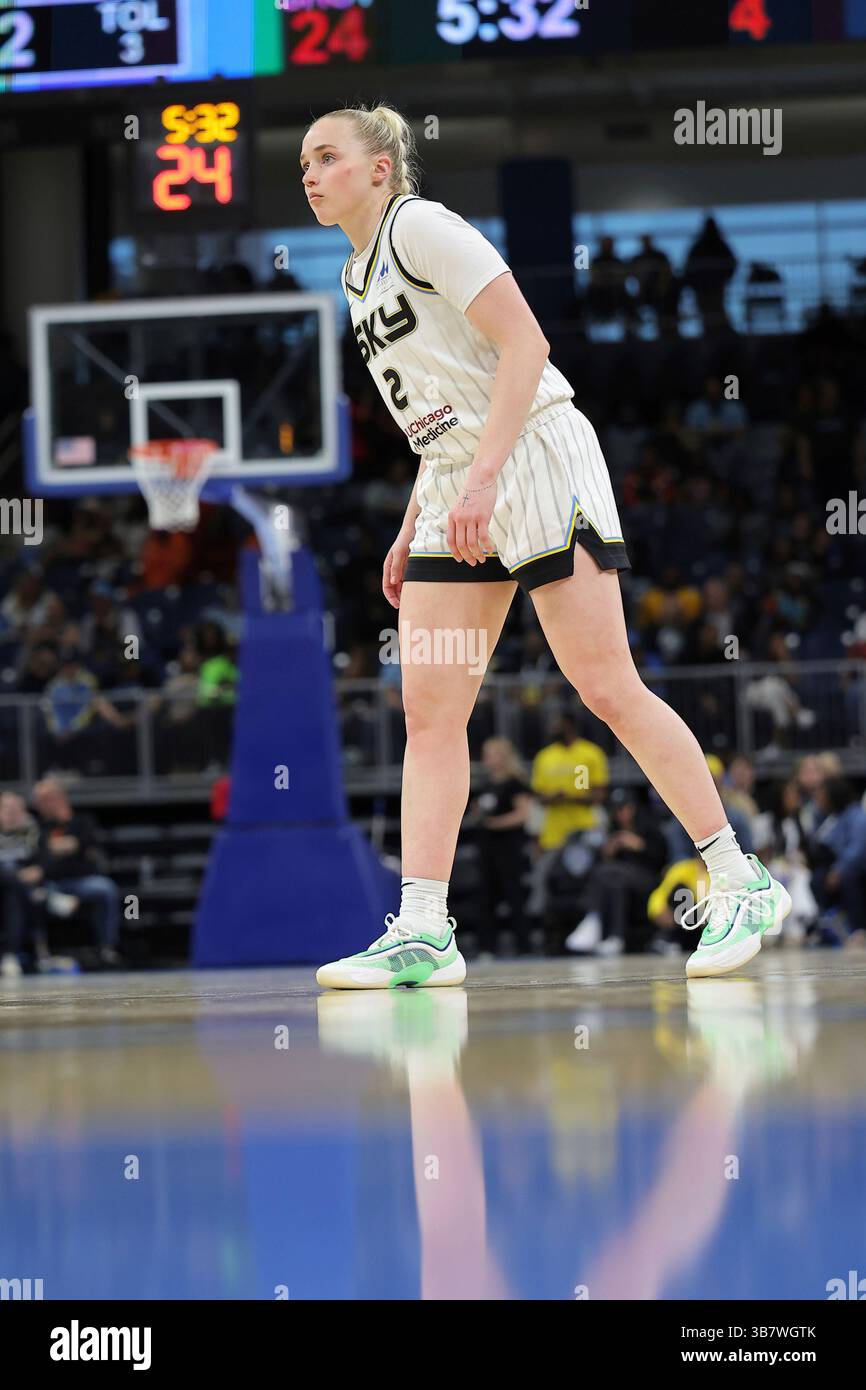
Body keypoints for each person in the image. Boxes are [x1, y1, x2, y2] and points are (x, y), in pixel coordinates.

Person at [304, 103, 791, 989]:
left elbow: (527, 343)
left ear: (379, 168)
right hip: (454, 476)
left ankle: (739, 876)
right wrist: (416, 519)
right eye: (304, 161)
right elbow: (438, 411)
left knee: (606, 686)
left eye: (327, 156)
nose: (310, 173)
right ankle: (425, 929)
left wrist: (486, 478)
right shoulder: (352, 274)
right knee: (429, 711)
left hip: (533, 452)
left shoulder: (423, 228)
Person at [565, 787, 668, 956]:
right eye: (616, 810)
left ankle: (593, 920)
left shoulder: (649, 826)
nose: (620, 813)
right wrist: (609, 850)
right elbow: (603, 859)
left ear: (632, 808)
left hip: (647, 879)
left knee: (607, 872)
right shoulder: (612, 830)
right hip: (620, 880)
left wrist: (638, 845)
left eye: (623, 808)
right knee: (615, 882)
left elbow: (661, 859)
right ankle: (615, 937)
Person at [31, 778, 122, 967]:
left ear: (58, 798)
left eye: (43, 800)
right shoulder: (40, 828)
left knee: (106, 889)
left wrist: (66, 849)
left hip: (81, 881)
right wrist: (64, 850)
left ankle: (107, 947)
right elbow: (42, 859)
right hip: (51, 883)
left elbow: (88, 849)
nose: (39, 805)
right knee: (33, 893)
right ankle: (41, 953)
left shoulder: (83, 821)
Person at [467, 738, 533, 956]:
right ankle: (487, 946)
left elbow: (522, 814)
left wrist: (495, 823)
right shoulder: (485, 785)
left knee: (513, 894)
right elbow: (476, 811)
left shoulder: (515, 783)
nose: (486, 759)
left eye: (491, 754)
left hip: (509, 847)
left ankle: (524, 946)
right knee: (486, 896)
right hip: (487, 847)